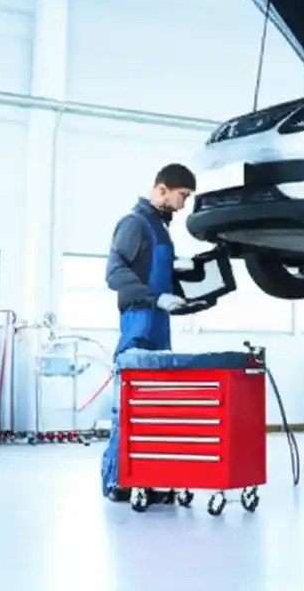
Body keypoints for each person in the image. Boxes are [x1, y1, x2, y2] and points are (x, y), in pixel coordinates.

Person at [100, 163, 197, 502]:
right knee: (129, 406)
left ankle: (150, 480)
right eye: (183, 195)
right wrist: (155, 298)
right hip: (139, 324)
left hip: (159, 325)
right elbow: (114, 273)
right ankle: (118, 481)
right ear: (162, 190)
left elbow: (154, 272)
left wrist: (181, 274)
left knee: (156, 407)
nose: (184, 204)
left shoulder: (161, 229)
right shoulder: (134, 224)